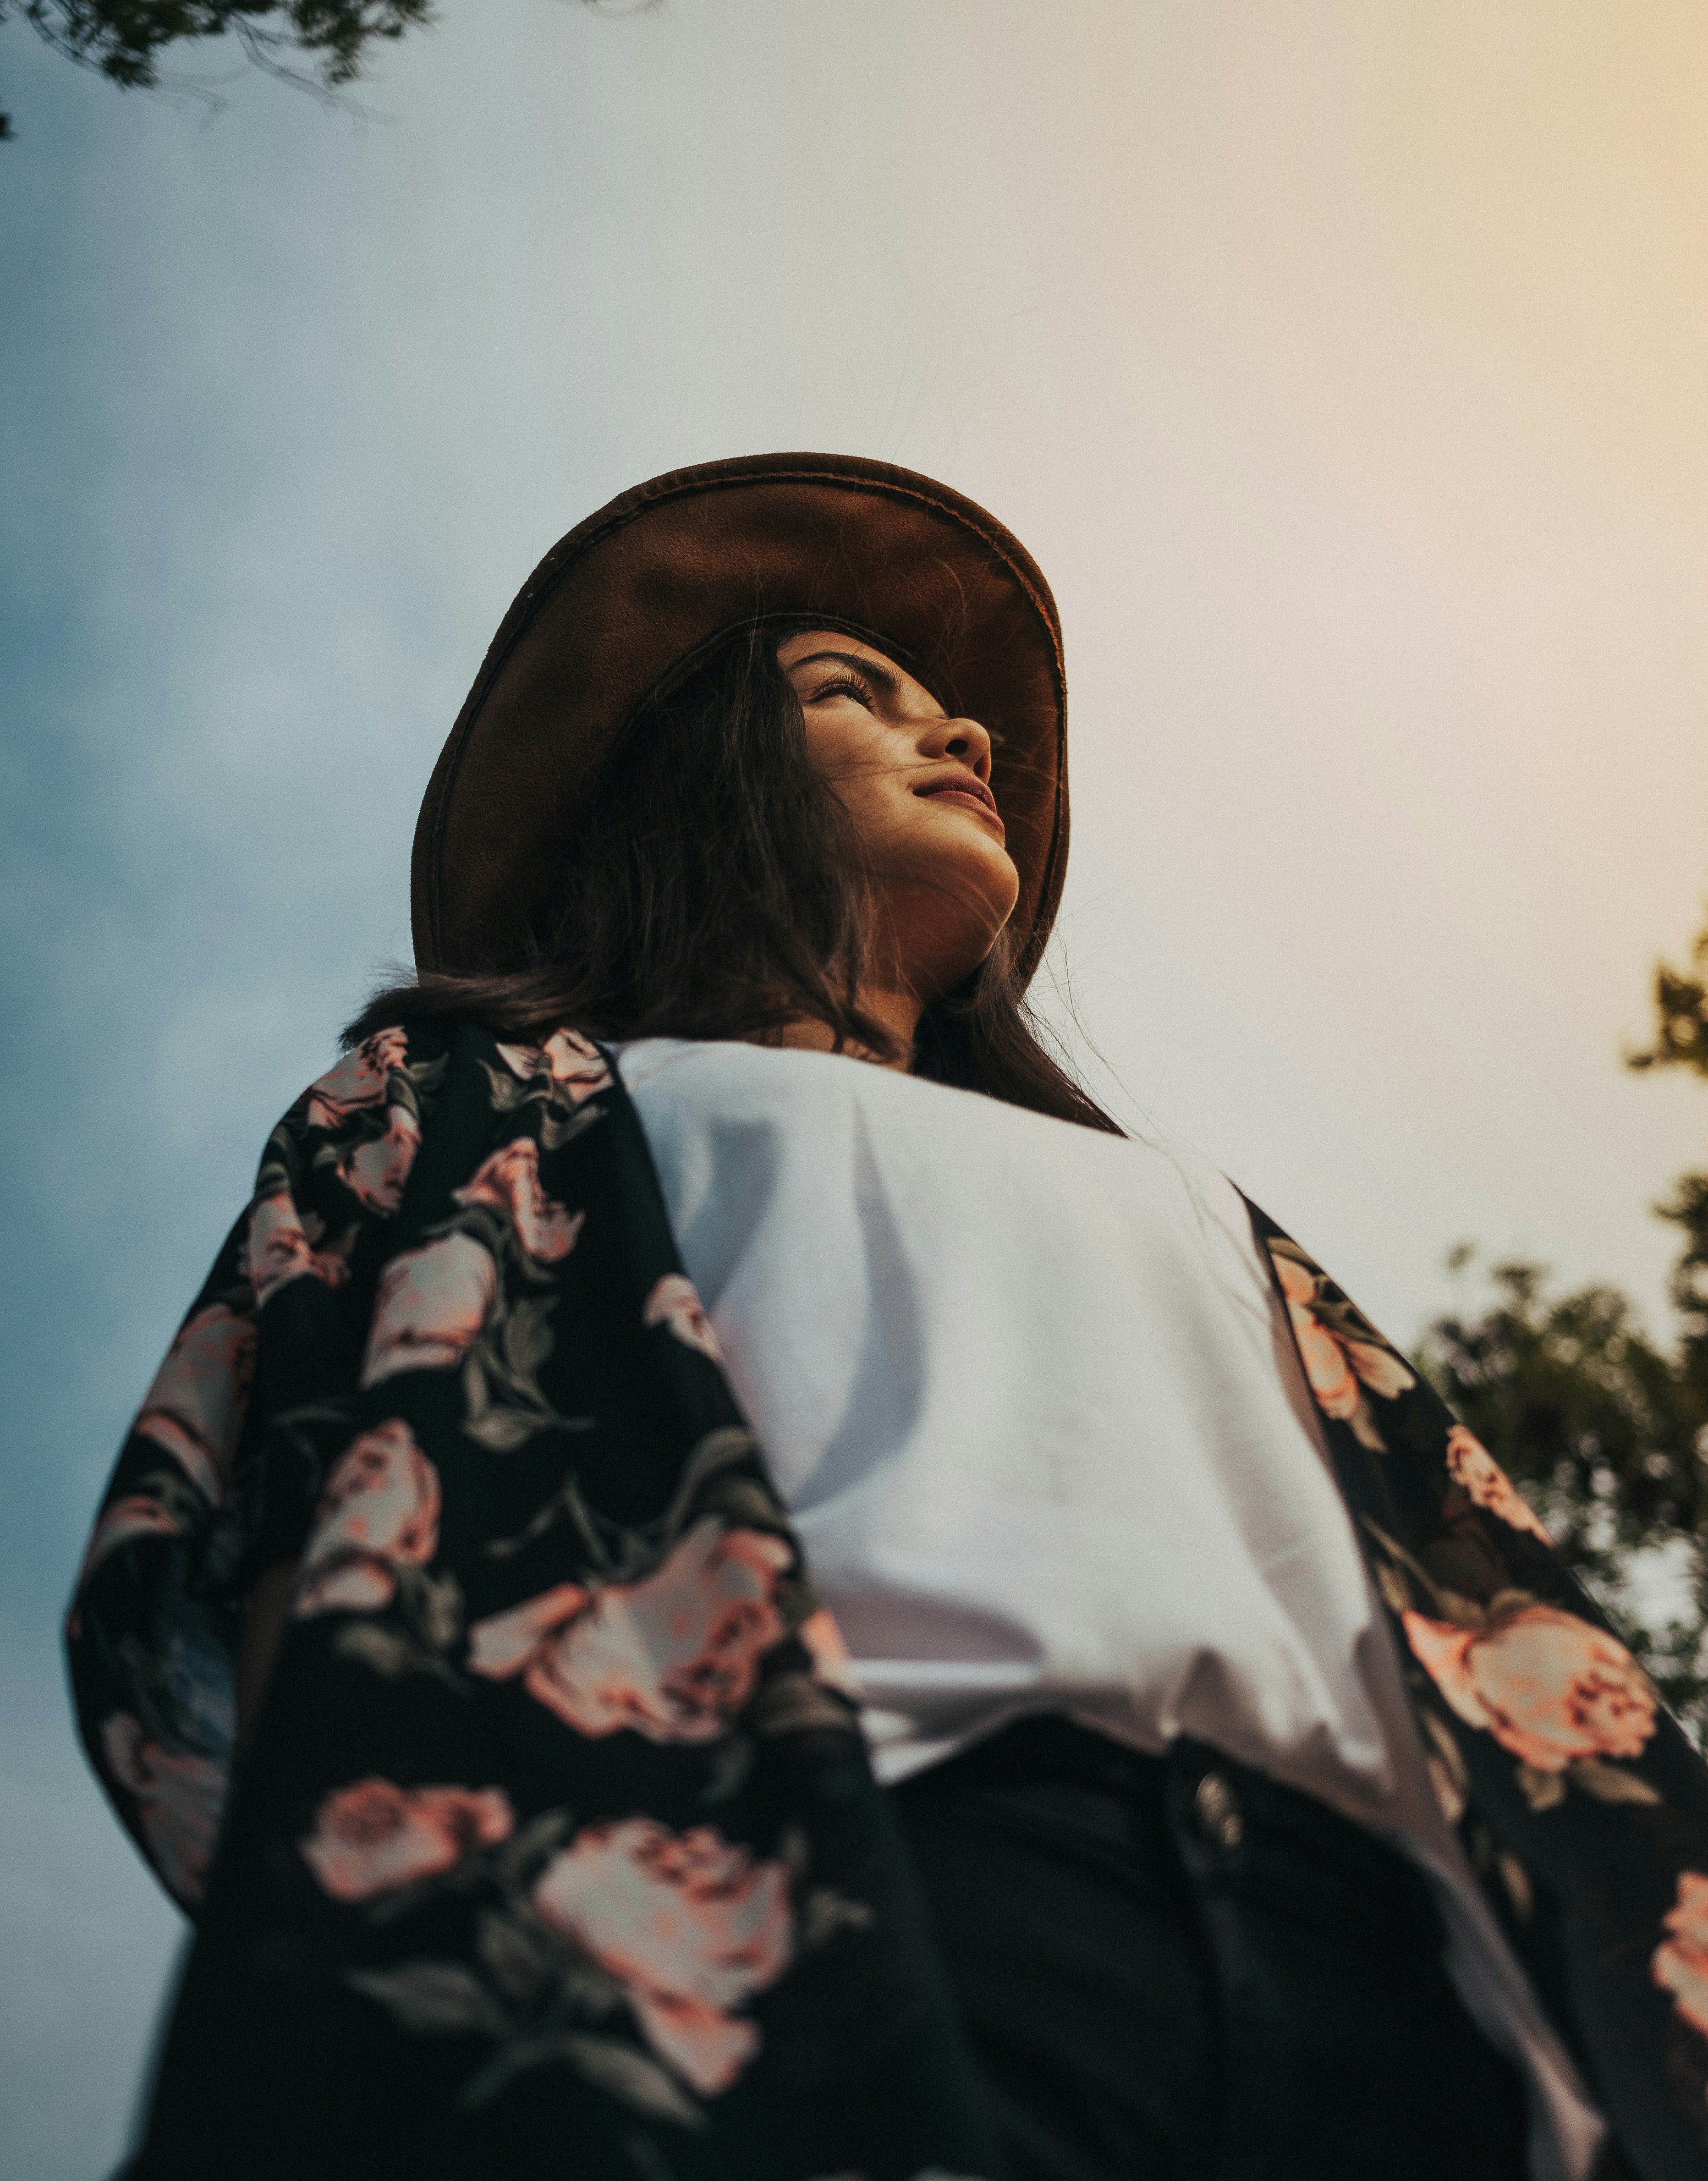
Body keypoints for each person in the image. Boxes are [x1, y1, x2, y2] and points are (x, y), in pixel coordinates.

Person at [69, 454, 1708, 2181]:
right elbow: (319, 1566)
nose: (965, 734)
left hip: (1413, 2018)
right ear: (705, 775)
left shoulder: (1201, 1211)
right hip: (829, 1945)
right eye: (856, 691)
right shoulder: (492, 1115)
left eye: (948, 707)